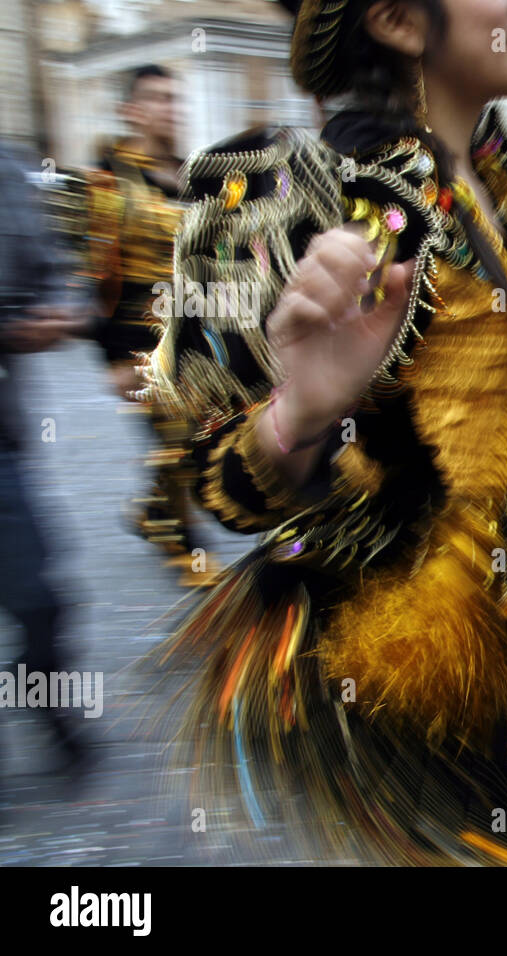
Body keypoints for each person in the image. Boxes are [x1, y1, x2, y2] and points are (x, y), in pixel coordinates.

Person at [143, 0, 507, 865]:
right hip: (415, 654)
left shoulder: (504, 179)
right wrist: (303, 411)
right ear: (398, 21)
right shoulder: (313, 197)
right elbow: (217, 481)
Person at [46, 65, 213, 586]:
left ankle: (151, 510)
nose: (173, 109)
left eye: (176, 98)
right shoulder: (108, 178)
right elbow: (99, 274)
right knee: (180, 433)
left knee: (200, 436)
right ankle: (179, 540)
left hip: (196, 331)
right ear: (132, 110)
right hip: (138, 337)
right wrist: (112, 356)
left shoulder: (192, 175)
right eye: (160, 99)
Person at [0, 141, 91, 775]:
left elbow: (50, 270)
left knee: (41, 598)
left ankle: (42, 699)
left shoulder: (8, 172)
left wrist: (57, 311)